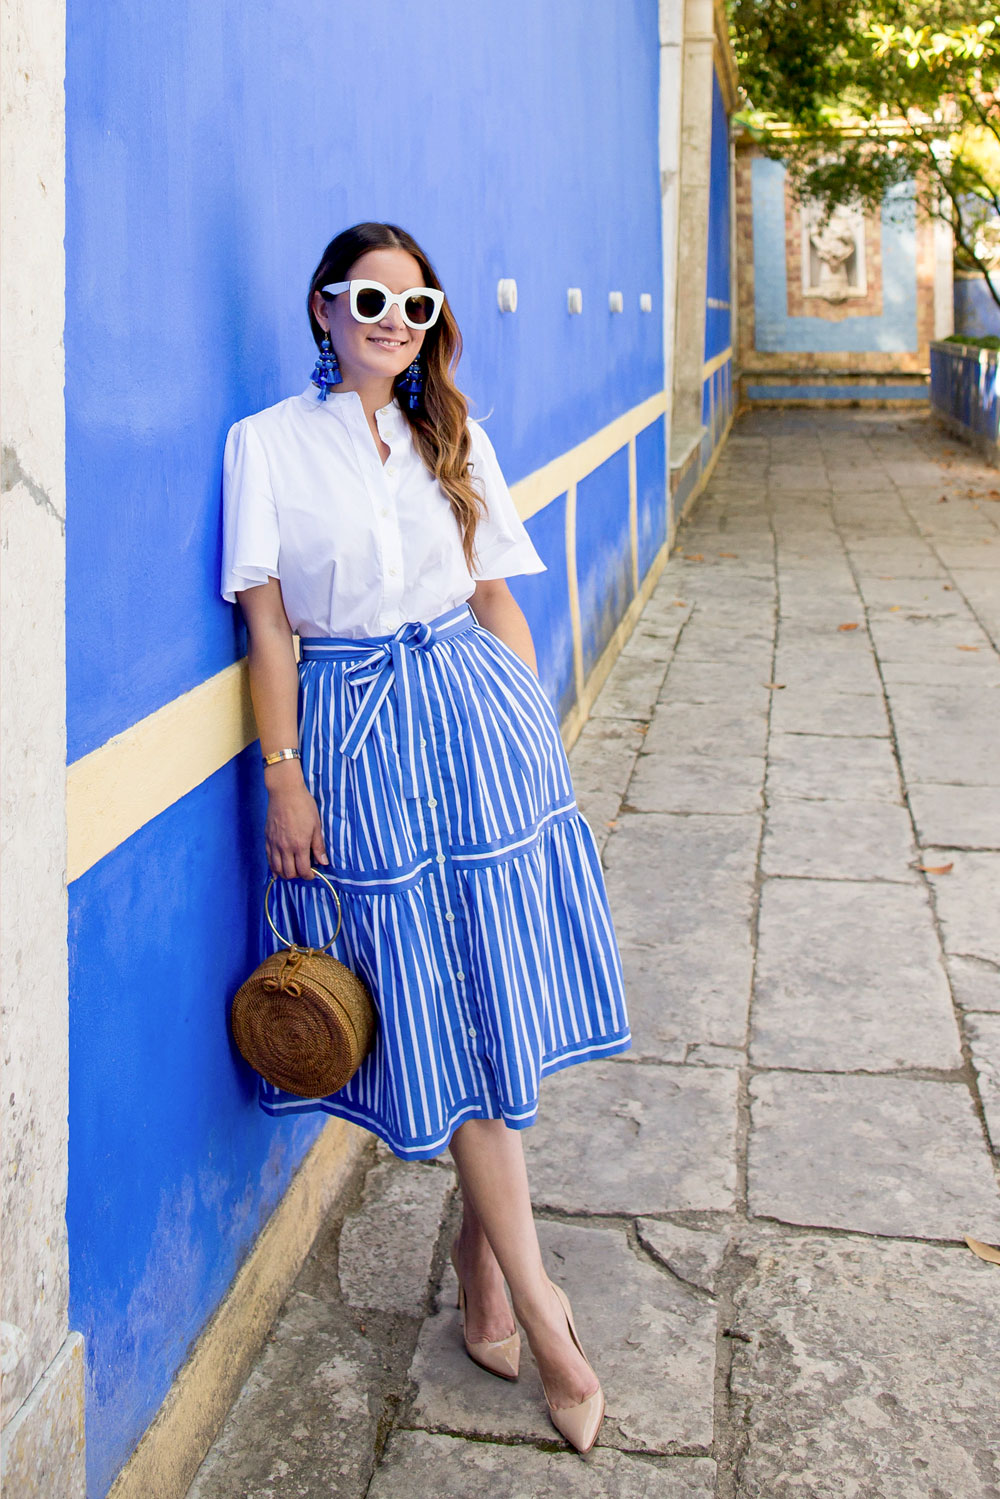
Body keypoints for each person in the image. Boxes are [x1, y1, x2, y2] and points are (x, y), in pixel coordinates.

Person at [220, 221, 631, 1455]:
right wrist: (283, 784)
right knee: (434, 1002)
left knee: (488, 989)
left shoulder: (451, 433)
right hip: (354, 744)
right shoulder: (265, 446)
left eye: (414, 305)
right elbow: (271, 630)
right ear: (321, 311)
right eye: (368, 300)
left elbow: (497, 593)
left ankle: (487, 1259)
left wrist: (538, 737)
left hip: (478, 720)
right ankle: (538, 1307)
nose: (392, 323)